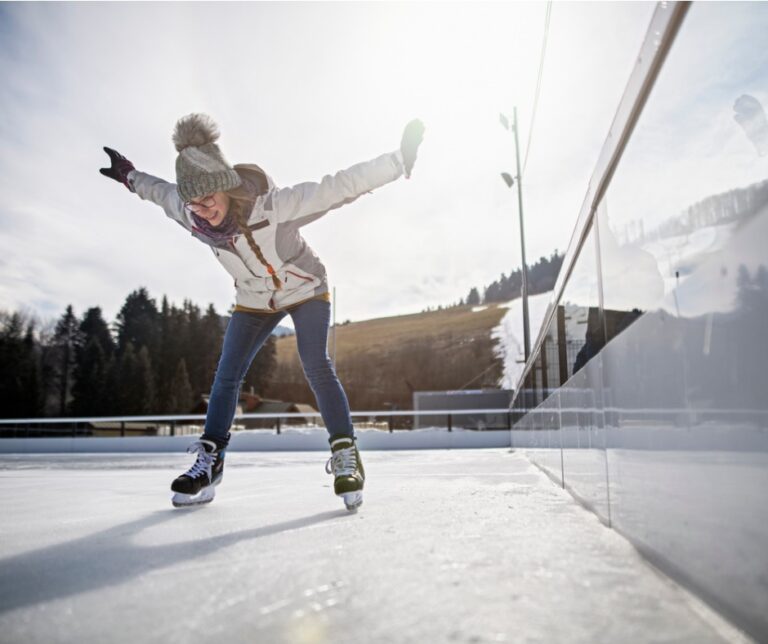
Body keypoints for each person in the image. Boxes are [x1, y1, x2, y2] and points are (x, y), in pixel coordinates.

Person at [100, 113, 425, 510]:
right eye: (194, 203)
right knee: (226, 375)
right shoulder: (191, 215)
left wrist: (397, 161)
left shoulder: (272, 207)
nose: (201, 210)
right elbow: (160, 191)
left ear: (225, 189)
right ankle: (210, 461)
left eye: (207, 200)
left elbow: (337, 187)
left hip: (305, 289)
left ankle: (346, 455)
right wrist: (128, 176)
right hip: (254, 299)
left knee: (315, 365)